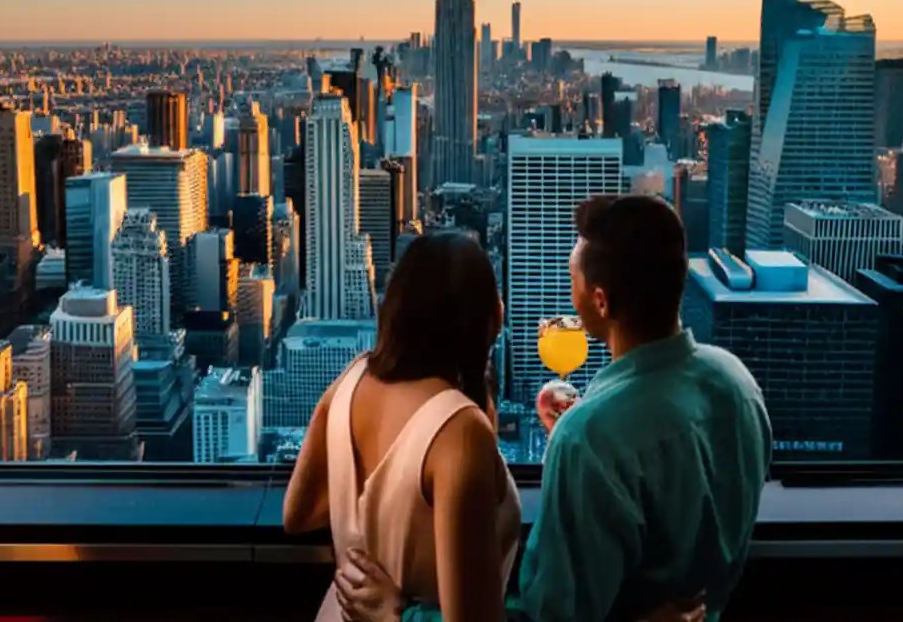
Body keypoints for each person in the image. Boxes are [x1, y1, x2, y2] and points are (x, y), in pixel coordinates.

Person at [336, 195, 773, 621]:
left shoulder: (590, 438)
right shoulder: (737, 385)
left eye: (573, 278)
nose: (570, 293)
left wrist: (399, 615)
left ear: (600, 301)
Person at [283, 232, 520, 622]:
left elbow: (297, 514)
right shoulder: (459, 432)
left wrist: (372, 525)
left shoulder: (352, 380)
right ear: (485, 316)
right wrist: (398, 611)